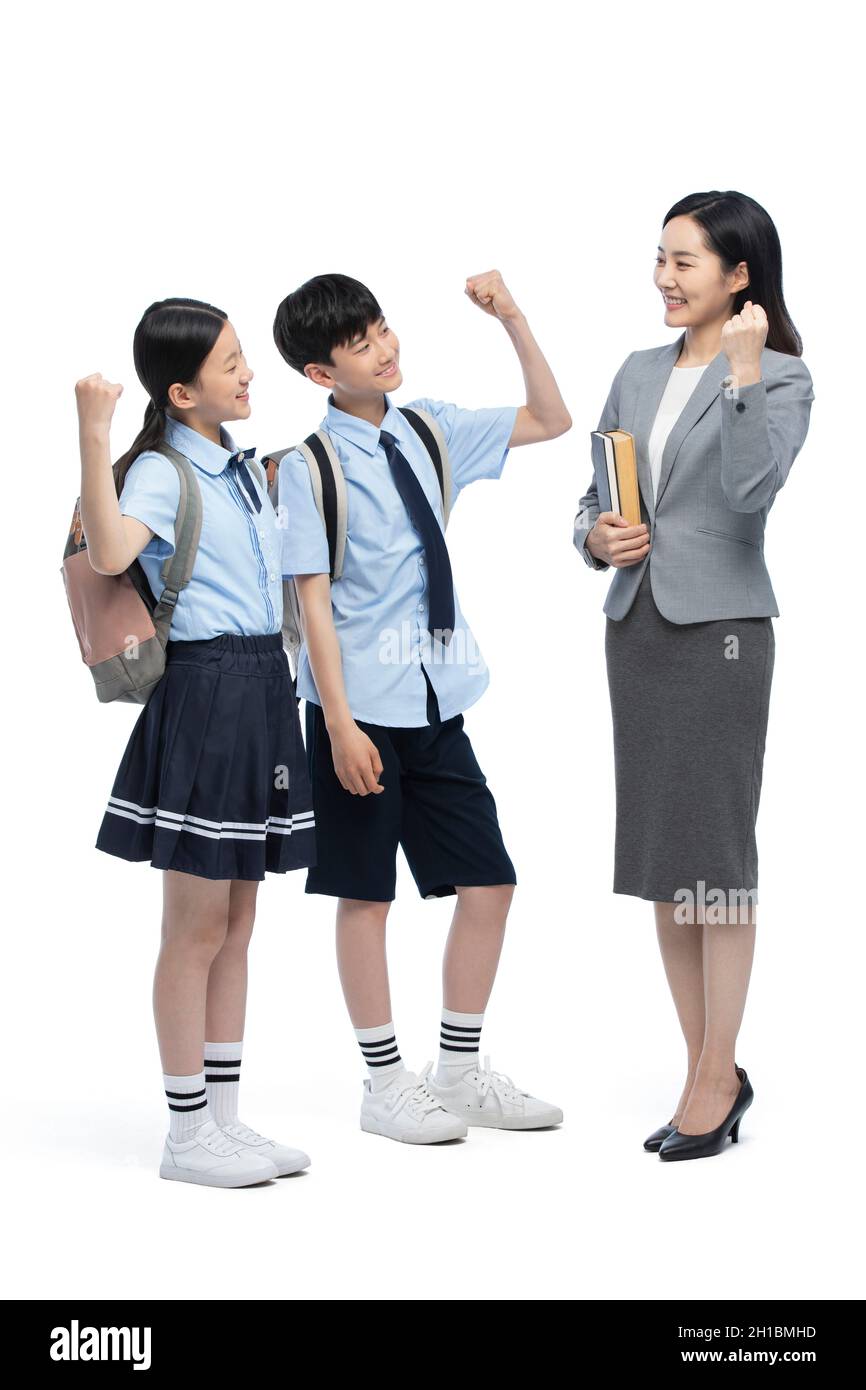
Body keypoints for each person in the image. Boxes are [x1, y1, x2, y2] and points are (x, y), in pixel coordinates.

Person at [275, 270, 569, 1142]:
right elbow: (313, 602)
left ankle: (462, 1068)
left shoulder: (428, 428)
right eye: (360, 344)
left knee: (490, 883)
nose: (385, 347)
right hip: (357, 709)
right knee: (366, 897)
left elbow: (550, 419)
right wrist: (335, 725)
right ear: (323, 375)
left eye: (383, 328)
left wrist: (513, 318)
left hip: (438, 702)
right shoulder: (309, 467)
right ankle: (382, 1083)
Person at [573, 191, 815, 1161]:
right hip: (635, 629)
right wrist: (593, 535)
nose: (664, 278)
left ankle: (716, 1072)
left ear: (738, 274)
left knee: (714, 860)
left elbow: (751, 490)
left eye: (684, 262)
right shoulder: (635, 371)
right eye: (659, 258)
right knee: (666, 863)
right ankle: (703, 1066)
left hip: (720, 633)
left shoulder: (783, 376)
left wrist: (745, 373)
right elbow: (595, 490)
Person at [78, 297, 315, 1186]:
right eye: (229, 362)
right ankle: (186, 1135)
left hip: (263, 689)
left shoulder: (245, 469)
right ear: (181, 392)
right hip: (206, 691)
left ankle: (223, 1118)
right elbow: (108, 555)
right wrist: (91, 427)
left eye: (244, 355)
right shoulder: (158, 473)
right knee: (196, 924)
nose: (249, 371)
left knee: (240, 917)